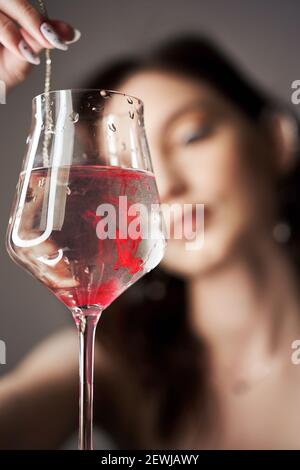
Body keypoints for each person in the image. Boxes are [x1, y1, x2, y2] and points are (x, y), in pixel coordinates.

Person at [1, 0, 300, 450]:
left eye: (192, 135)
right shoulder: (110, 369)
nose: (166, 187)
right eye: (132, 158)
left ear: (276, 142)